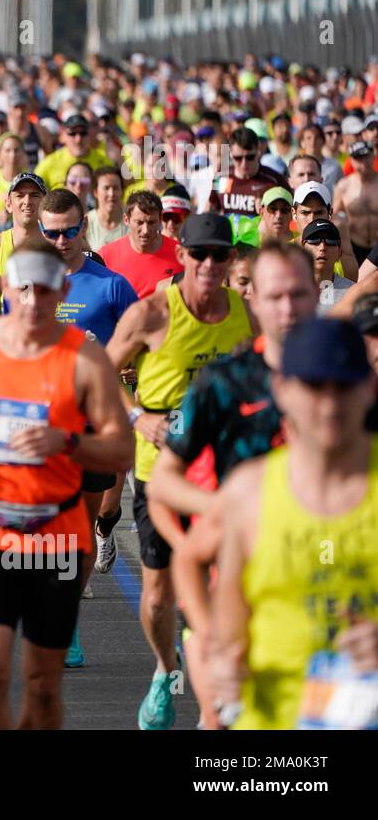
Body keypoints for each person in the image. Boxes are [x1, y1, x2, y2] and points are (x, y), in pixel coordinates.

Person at [0, 241, 134, 729]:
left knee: (43, 687)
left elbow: (121, 449)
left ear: (62, 290)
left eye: (43, 291)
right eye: (22, 288)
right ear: (9, 290)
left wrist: (66, 443)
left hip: (59, 537)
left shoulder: (85, 359)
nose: (31, 301)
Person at [149, 243, 318, 728]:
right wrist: (229, 506)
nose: (288, 308)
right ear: (255, 302)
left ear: (315, 296)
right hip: (242, 579)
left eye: (299, 295)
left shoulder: (347, 376)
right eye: (275, 296)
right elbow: (165, 483)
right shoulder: (223, 381)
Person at [106, 212, 255, 729]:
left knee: (221, 588)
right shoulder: (151, 314)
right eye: (200, 254)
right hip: (160, 473)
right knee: (158, 594)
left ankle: (215, 707)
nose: (210, 264)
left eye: (221, 255)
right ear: (183, 257)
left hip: (223, 475)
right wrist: (136, 415)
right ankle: (165, 672)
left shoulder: (243, 313)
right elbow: (101, 372)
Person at [210, 318, 378, 730]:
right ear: (283, 391)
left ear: (369, 387)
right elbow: (229, 636)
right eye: (314, 387)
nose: (329, 405)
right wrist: (223, 670)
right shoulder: (247, 493)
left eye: (343, 386)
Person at [40, 189, 138, 602]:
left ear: (84, 227)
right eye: (53, 233)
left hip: (96, 422)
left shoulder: (112, 285)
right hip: (43, 419)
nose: (62, 241)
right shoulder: (25, 283)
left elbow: (141, 338)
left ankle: (68, 620)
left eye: (70, 231)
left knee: (81, 526)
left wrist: (131, 365)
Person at [100, 190, 181, 299]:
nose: (145, 230)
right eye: (139, 222)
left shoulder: (180, 253)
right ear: (126, 219)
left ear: (160, 220)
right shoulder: (106, 256)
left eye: (151, 222)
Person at [0, 171, 47, 276]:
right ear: (8, 204)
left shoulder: (57, 246)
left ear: (45, 203)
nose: (27, 201)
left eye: (34, 195)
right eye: (20, 195)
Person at [33, 113, 114, 190]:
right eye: (72, 133)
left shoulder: (104, 163)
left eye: (83, 133)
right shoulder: (49, 163)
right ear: (63, 136)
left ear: (89, 135)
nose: (78, 139)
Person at [335, 139, 378, 262]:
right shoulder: (344, 186)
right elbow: (334, 217)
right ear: (351, 161)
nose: (363, 162)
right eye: (358, 158)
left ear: (373, 155)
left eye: (366, 156)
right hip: (354, 246)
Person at [302, 219, 355, 313]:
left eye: (331, 241)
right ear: (302, 249)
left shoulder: (352, 293)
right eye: (314, 240)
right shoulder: (287, 289)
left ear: (339, 253)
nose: (322, 247)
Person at [84, 166, 127, 251]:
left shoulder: (133, 219)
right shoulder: (86, 222)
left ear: (122, 191)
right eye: (106, 188)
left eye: (116, 188)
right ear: (95, 192)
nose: (111, 194)